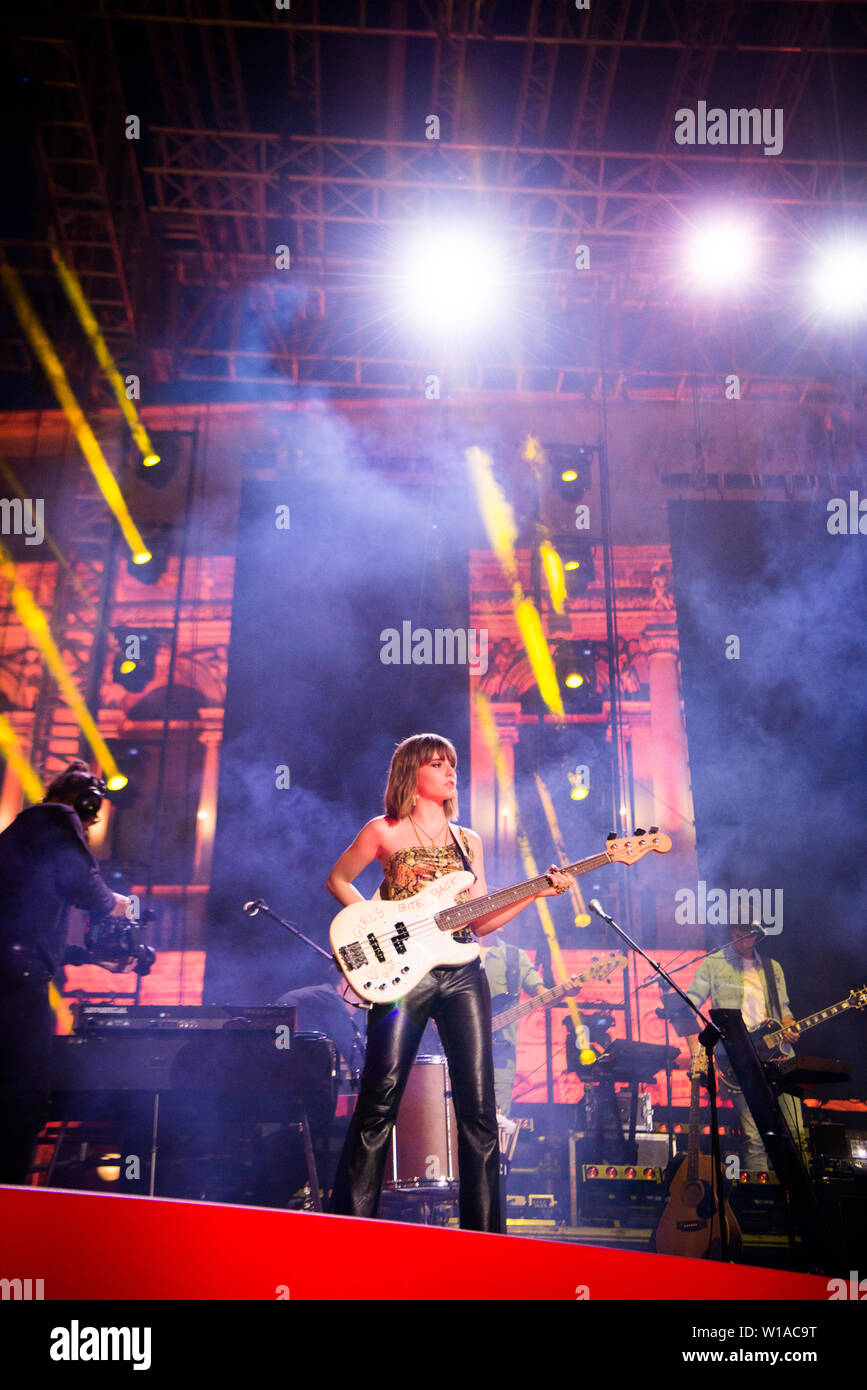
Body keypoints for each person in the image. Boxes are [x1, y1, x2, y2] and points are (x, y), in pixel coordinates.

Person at [326, 733, 572, 1232]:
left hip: (463, 974)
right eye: (438, 764)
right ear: (412, 774)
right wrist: (377, 922)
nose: (450, 771)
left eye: (452, 764)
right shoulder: (384, 830)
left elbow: (479, 920)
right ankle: (349, 1227)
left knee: (479, 1108)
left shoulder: (468, 840)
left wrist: (538, 893)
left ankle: (484, 1236)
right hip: (401, 977)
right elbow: (338, 879)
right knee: (380, 1095)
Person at [0, 760, 130, 1183]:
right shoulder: (57, 818)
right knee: (21, 1097)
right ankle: (13, 1200)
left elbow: (29, 927)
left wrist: (87, 956)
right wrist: (116, 903)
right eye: (91, 817)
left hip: (13, 970)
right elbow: (84, 885)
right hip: (18, 982)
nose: (88, 827)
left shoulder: (25, 830)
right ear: (85, 802)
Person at [685, 923, 807, 1174]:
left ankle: (802, 1202)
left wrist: (789, 1024)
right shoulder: (713, 963)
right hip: (740, 1059)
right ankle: (761, 1200)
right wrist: (697, 1048)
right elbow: (688, 1004)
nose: (744, 937)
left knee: (796, 1134)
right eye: (739, 931)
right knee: (755, 1138)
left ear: (757, 934)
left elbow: (784, 1011)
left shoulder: (772, 968)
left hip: (779, 1056)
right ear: (731, 931)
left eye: (750, 932)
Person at [479, 936, 545, 1119]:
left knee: (497, 1119)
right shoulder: (456, 951)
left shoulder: (514, 956)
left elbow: (541, 994)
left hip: (500, 1055)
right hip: (455, 1052)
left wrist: (567, 990)